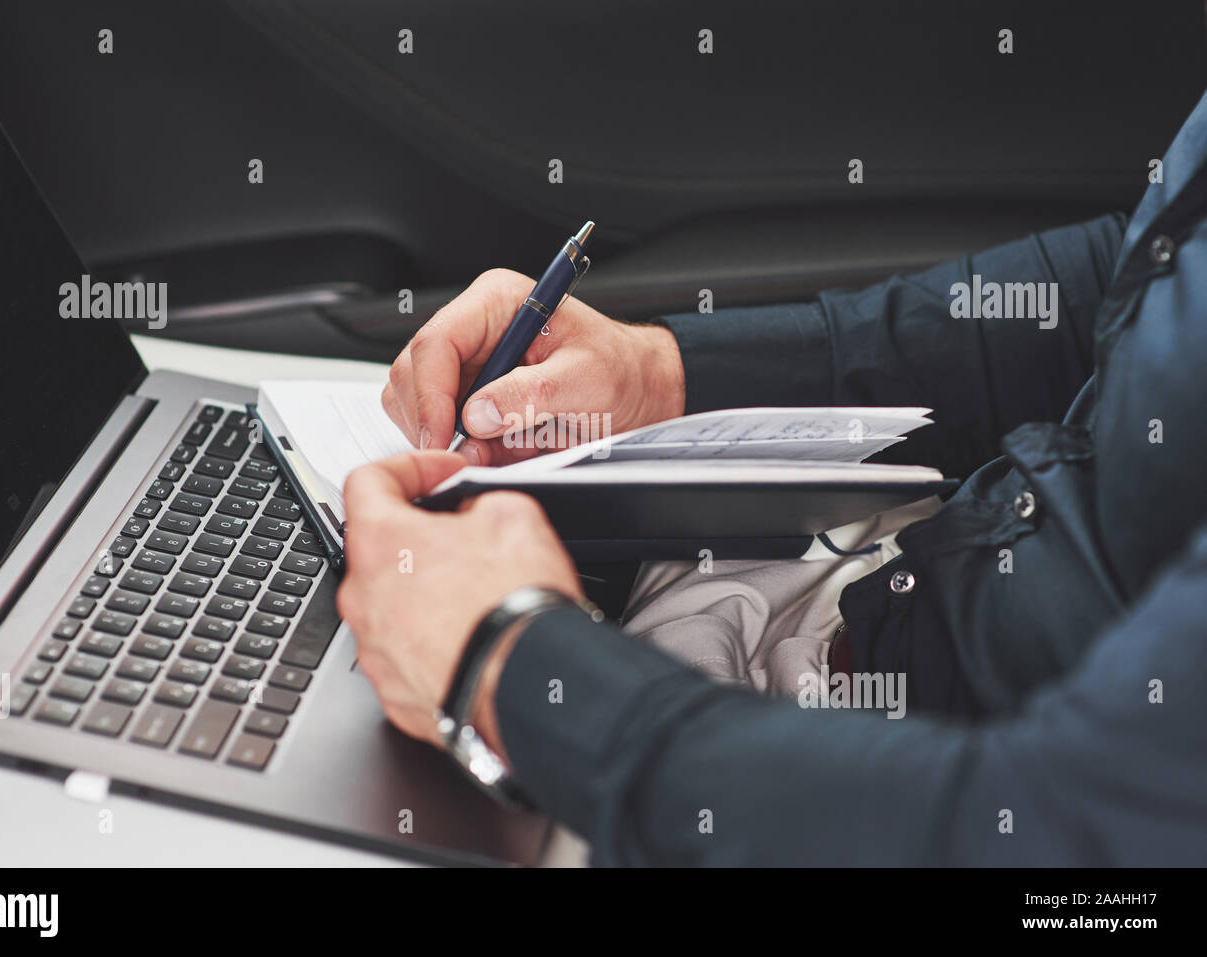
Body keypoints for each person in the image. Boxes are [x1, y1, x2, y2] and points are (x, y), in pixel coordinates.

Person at [336, 88, 1207, 865]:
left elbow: (1054, 838)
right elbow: (1132, 286)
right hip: (856, 641)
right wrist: (663, 376)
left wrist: (511, 667)